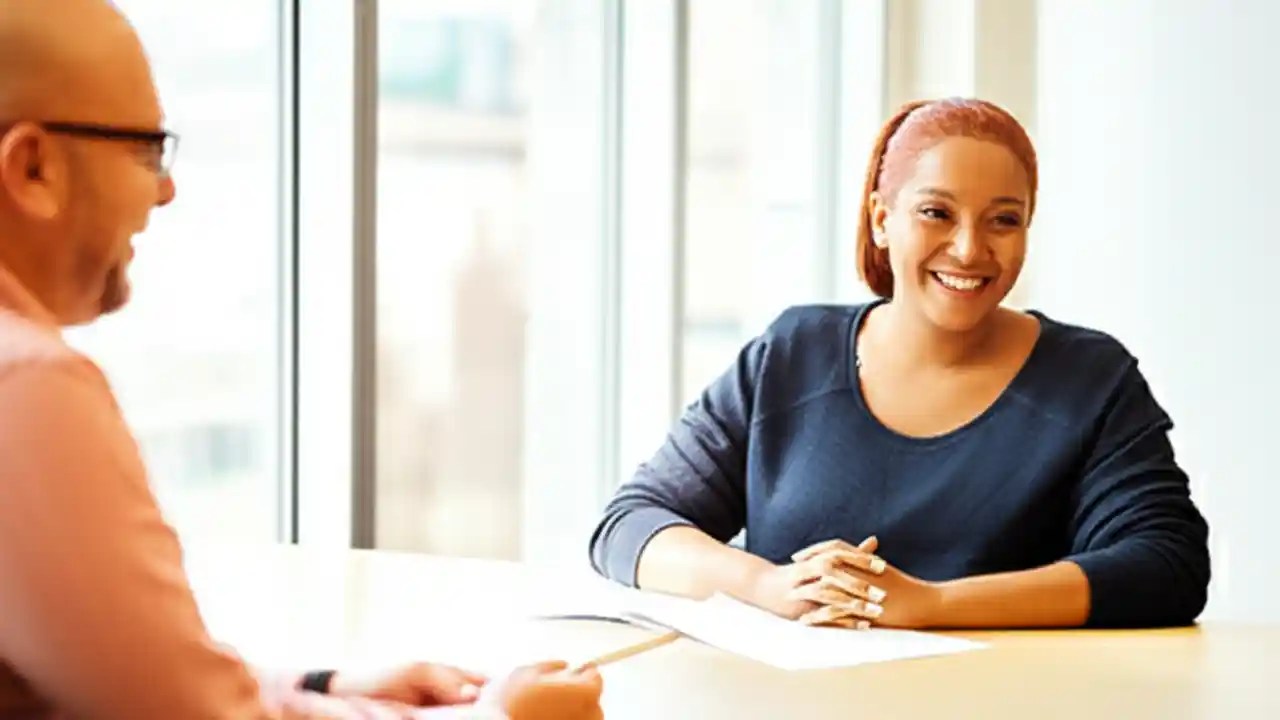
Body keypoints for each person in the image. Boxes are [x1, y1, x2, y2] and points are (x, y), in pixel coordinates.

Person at [0, 1, 603, 718]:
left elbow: (140, 679)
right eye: (146, 149)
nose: (166, 189)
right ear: (32, 168)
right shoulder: (29, 389)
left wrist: (317, 689)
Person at [589, 97, 1211, 631]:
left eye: (1004, 220)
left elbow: (1167, 564)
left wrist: (934, 603)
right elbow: (629, 527)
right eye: (936, 213)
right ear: (882, 220)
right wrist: (770, 588)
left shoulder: (1090, 379)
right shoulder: (792, 353)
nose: (970, 249)